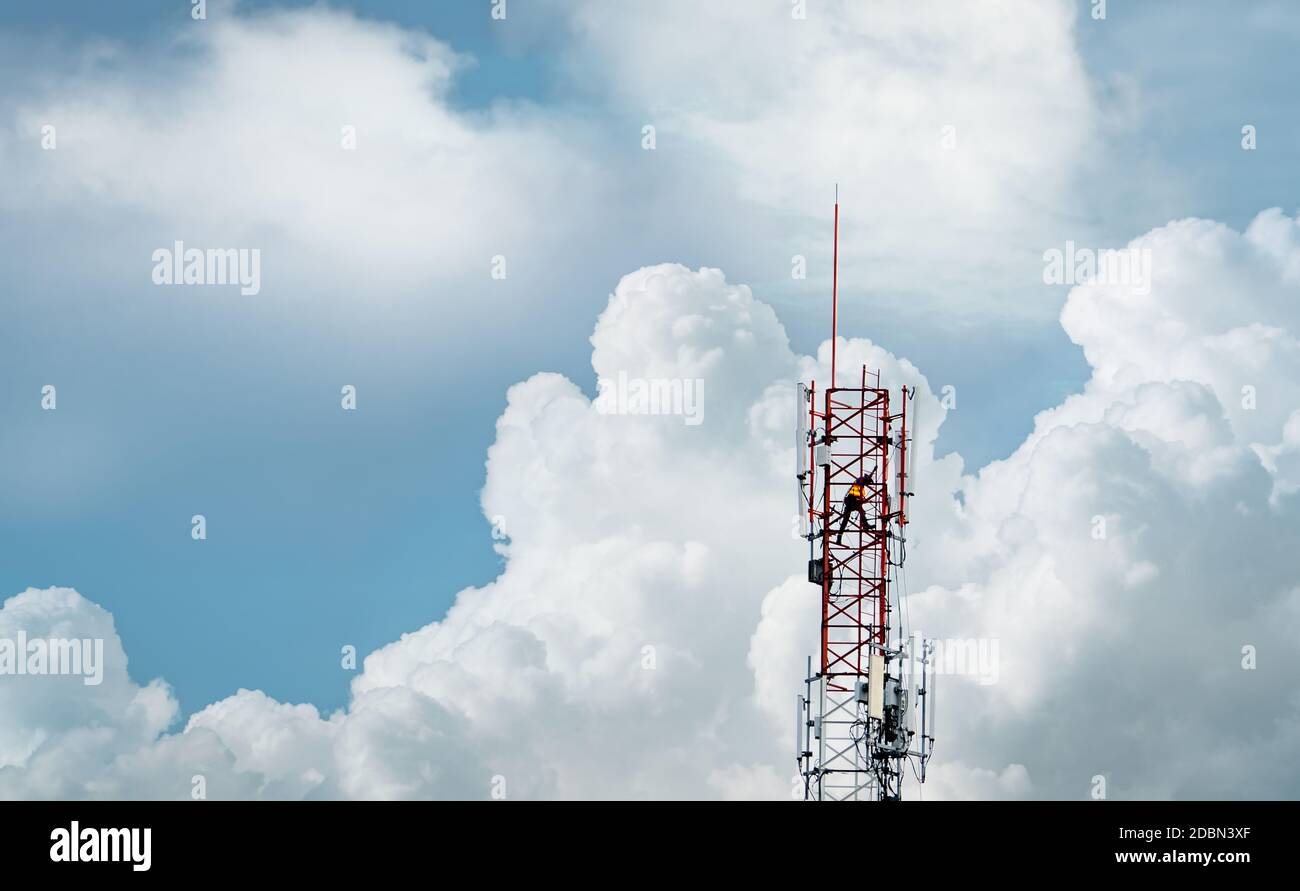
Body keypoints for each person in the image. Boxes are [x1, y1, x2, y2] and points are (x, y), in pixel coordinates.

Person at [835, 471, 874, 544]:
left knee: (847, 519)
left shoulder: (861, 484)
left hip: (851, 502)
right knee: (849, 518)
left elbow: (860, 498)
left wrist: (866, 501)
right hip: (851, 501)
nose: (867, 484)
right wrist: (873, 471)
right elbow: (866, 479)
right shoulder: (861, 480)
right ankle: (865, 525)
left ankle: (839, 537)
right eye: (868, 483)